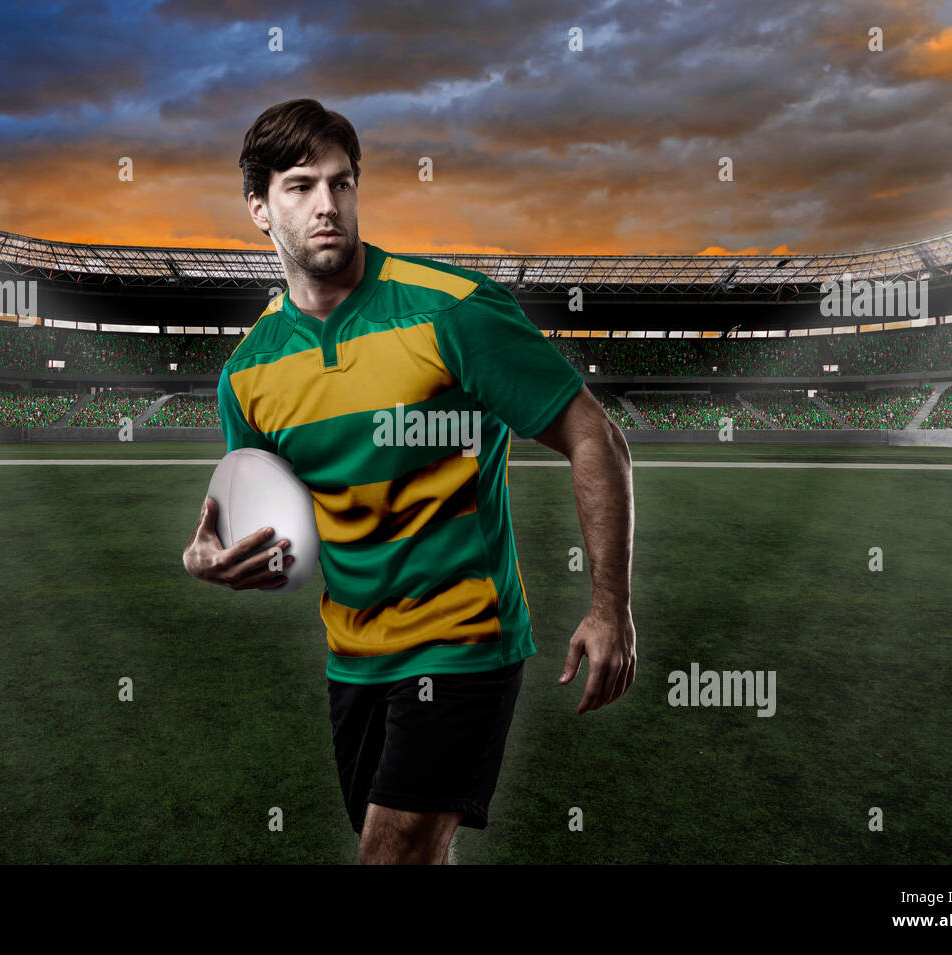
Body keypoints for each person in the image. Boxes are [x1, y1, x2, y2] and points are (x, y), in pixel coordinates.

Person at [183, 98, 635, 865]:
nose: (328, 203)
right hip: (353, 657)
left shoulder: (452, 309)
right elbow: (258, 515)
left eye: (342, 182)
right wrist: (208, 560)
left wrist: (610, 606)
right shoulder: (248, 373)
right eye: (300, 186)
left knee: (389, 857)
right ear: (259, 207)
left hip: (464, 641)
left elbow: (596, 436)